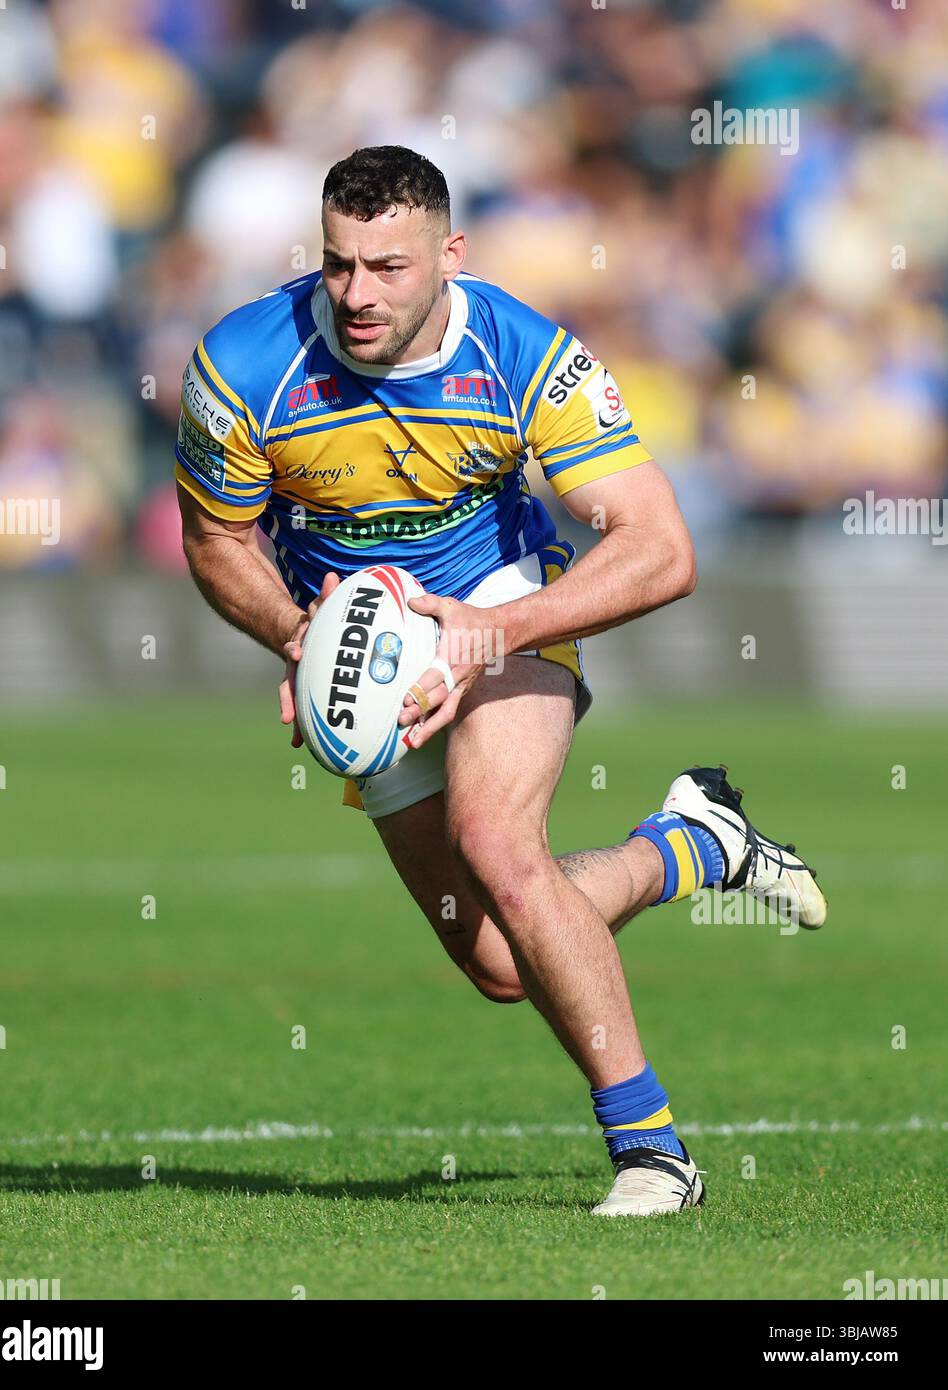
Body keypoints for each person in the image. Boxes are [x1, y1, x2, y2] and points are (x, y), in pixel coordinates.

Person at [176, 145, 826, 1216]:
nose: (358, 295)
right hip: (364, 654)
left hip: (502, 601)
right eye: (339, 265)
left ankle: (654, 1153)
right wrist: (301, 637)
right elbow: (217, 540)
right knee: (503, 963)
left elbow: (660, 547)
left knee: (499, 845)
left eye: (389, 267)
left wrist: (495, 627)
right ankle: (697, 840)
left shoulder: (524, 352)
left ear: (451, 254)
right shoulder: (244, 364)